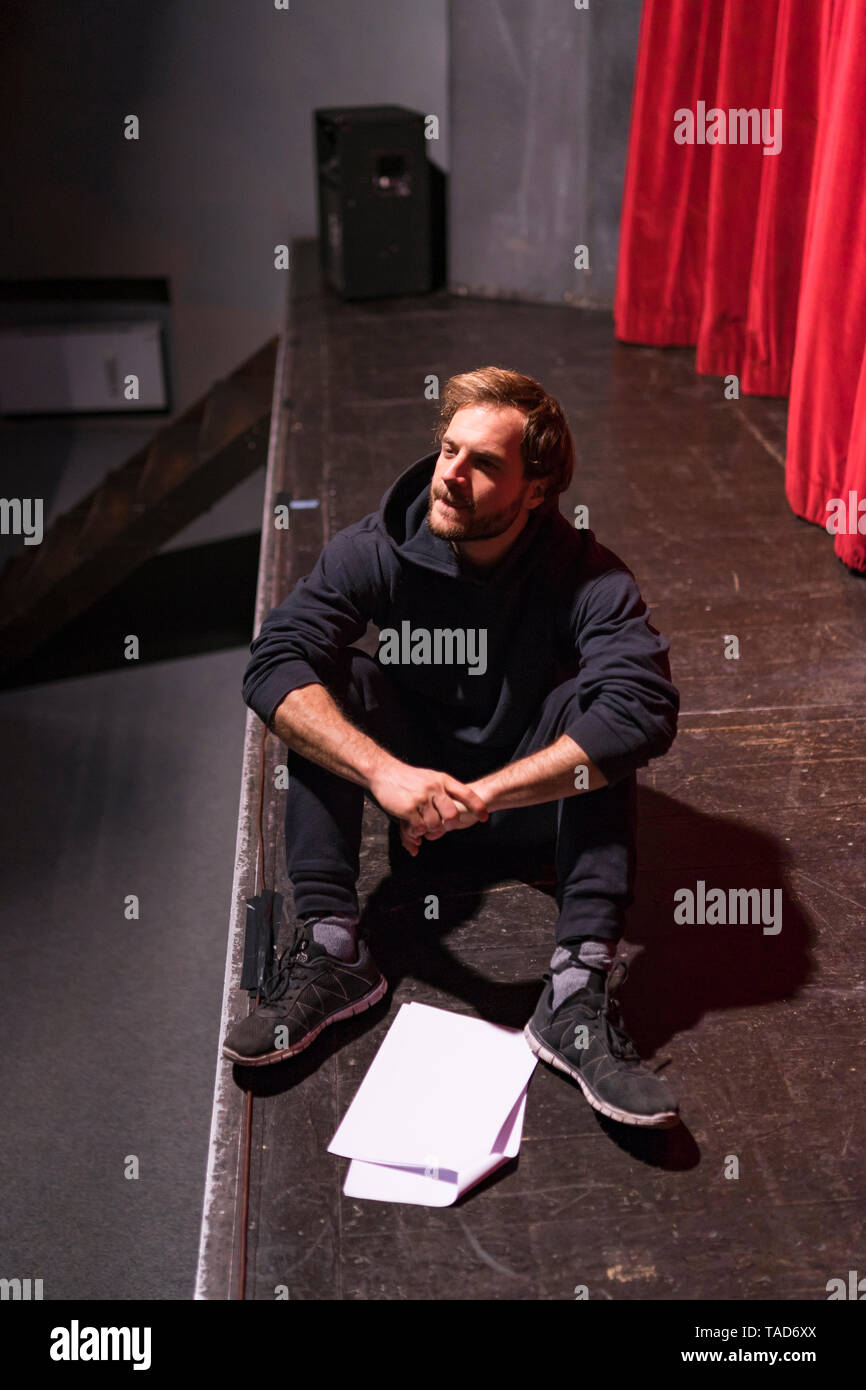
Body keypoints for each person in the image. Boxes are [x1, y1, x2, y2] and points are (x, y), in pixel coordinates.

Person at [223, 366, 680, 1128]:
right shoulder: (377, 548)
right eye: (448, 451)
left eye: (485, 463)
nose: (452, 475)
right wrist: (386, 773)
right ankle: (334, 947)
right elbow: (274, 660)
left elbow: (645, 709)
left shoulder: (587, 577)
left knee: (598, 713)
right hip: (415, 804)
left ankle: (572, 994)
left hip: (528, 809)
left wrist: (483, 796)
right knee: (326, 680)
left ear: (536, 490)